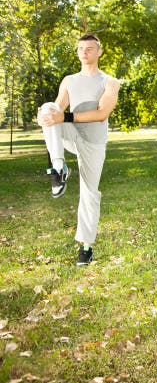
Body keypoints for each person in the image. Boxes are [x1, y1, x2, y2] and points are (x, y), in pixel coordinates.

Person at [37, 33, 120, 265]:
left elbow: (102, 113)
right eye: (81, 48)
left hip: (94, 144)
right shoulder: (69, 80)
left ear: (99, 52)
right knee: (48, 107)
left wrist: (64, 117)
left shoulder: (109, 82)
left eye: (89, 48)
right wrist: (44, 116)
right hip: (72, 135)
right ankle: (58, 168)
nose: (84, 52)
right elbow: (57, 111)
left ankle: (86, 246)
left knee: (89, 192)